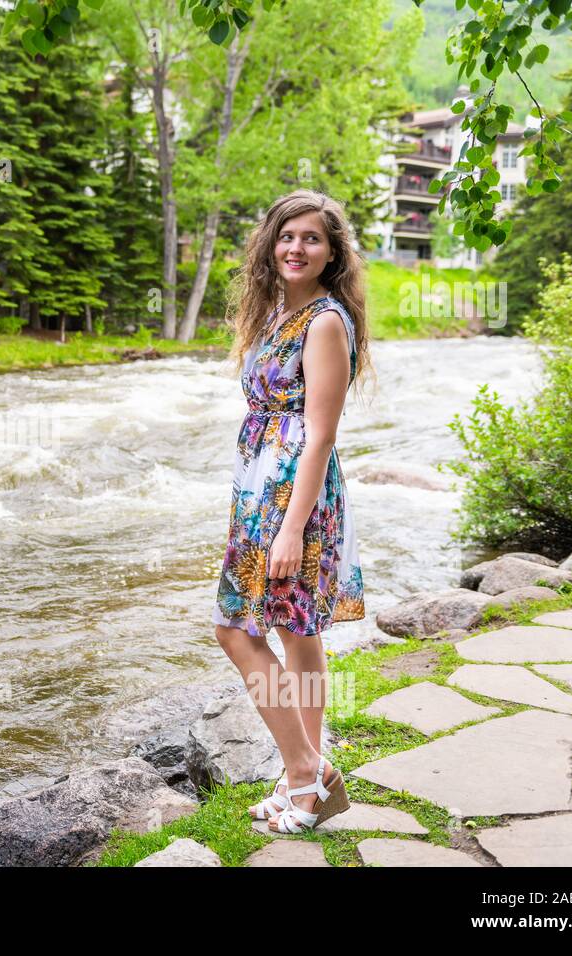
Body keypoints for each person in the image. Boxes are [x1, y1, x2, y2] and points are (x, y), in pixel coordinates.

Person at [212, 189, 374, 833]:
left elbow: (321, 434)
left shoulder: (325, 321)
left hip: (291, 498)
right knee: (296, 634)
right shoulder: (278, 313)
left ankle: (309, 773)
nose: (296, 248)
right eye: (287, 236)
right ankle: (299, 779)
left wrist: (290, 527)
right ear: (270, 245)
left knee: (236, 630)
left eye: (311, 238)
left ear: (332, 253)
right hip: (259, 489)